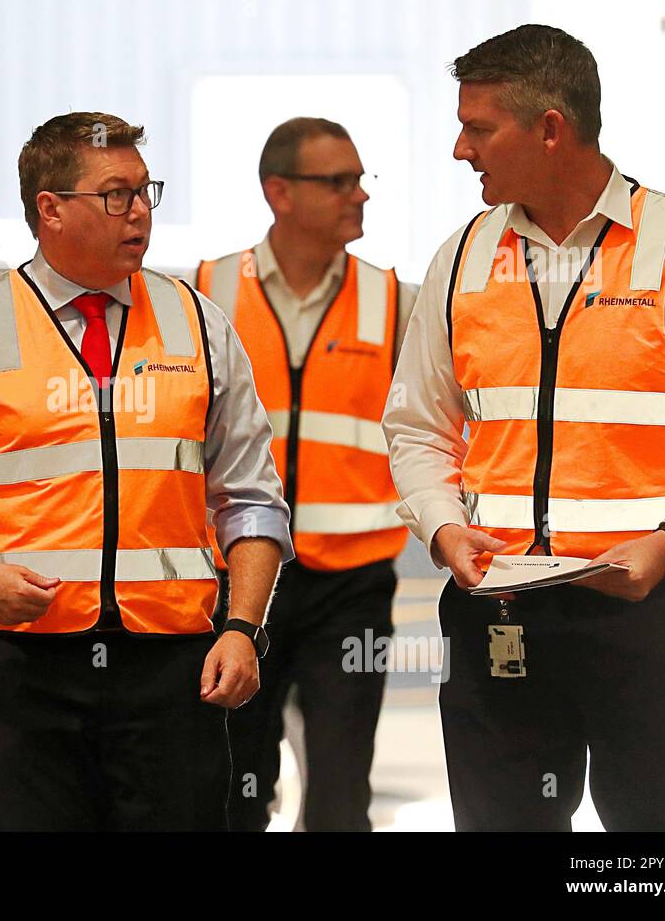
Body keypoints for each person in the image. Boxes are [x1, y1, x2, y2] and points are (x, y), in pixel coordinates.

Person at [0, 112, 293, 831]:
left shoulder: (198, 324)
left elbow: (252, 500)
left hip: (173, 665)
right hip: (16, 667)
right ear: (50, 209)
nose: (141, 212)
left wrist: (244, 627)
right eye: (117, 195)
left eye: (145, 191)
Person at [383, 24, 665, 831]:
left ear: (549, 128)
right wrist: (445, 532)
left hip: (659, 614)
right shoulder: (463, 258)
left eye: (477, 127)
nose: (458, 148)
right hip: (498, 613)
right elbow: (416, 429)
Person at [196, 117, 417, 831]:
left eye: (360, 179)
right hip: (237, 584)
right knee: (234, 788)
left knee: (340, 793)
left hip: (349, 588)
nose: (360, 195)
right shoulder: (208, 294)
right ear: (279, 193)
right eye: (339, 181)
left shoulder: (394, 302)